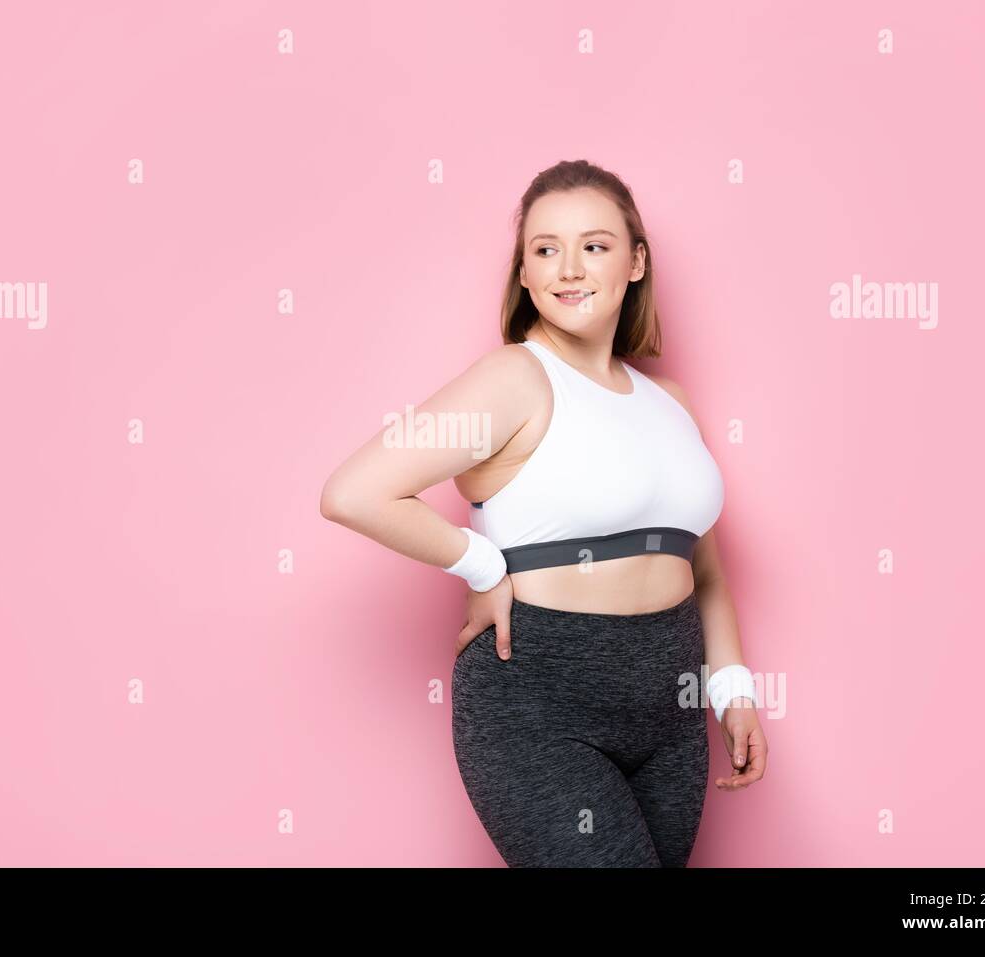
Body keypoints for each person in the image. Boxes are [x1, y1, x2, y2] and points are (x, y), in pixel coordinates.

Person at [320, 159, 767, 867]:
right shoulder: (514, 377)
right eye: (544, 248)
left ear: (636, 262)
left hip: (670, 710)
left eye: (594, 245)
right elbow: (354, 491)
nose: (569, 267)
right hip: (539, 703)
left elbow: (704, 571)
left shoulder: (670, 401)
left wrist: (733, 690)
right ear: (523, 273)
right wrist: (481, 563)